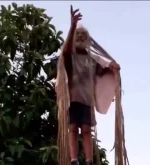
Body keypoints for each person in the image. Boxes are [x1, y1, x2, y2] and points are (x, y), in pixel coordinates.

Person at [61, 5, 120, 165]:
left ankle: (88, 161)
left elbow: (104, 71)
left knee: (87, 130)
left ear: (87, 39)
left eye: (82, 36)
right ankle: (74, 160)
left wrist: (113, 66)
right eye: (77, 36)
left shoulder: (92, 60)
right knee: (72, 129)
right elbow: (65, 51)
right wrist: (72, 26)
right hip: (72, 100)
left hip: (87, 100)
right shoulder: (70, 58)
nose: (80, 38)